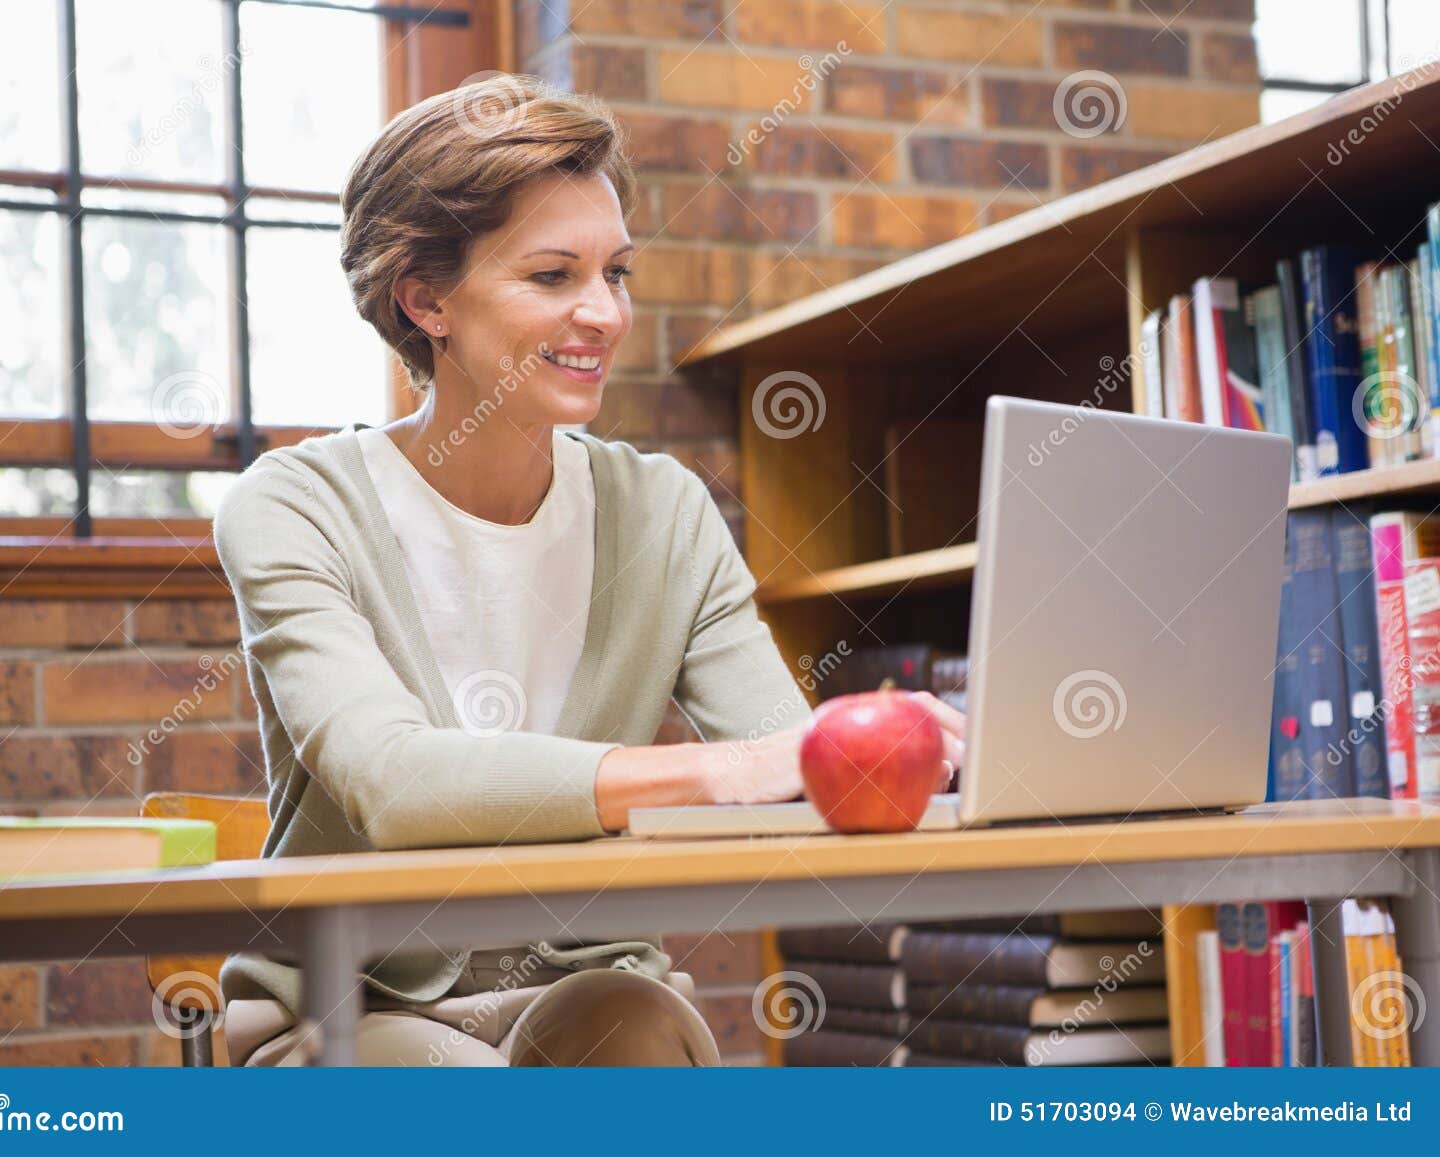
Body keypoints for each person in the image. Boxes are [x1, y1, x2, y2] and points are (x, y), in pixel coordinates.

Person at [214, 73, 966, 1067]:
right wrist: (717, 772)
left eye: (615, 272)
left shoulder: (660, 510)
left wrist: (897, 752)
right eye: (553, 275)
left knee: (640, 1034)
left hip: (590, 991)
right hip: (348, 1009)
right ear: (425, 299)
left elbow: (785, 760)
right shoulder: (295, 505)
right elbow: (392, 780)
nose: (604, 313)